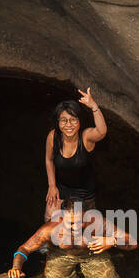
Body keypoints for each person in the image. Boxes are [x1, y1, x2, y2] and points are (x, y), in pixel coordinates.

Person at [7, 201, 137, 278]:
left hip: (91, 253)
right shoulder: (51, 229)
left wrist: (112, 241)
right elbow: (24, 248)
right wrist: (16, 267)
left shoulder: (97, 223)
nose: (77, 227)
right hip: (61, 254)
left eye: (81, 222)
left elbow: (133, 243)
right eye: (72, 223)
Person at [45, 89, 106, 220]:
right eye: (64, 120)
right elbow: (49, 160)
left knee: (79, 231)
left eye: (73, 120)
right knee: (49, 221)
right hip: (61, 189)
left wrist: (94, 106)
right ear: (58, 122)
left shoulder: (85, 137)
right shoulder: (53, 136)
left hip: (84, 194)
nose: (68, 125)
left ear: (80, 121)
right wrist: (52, 185)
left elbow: (101, 132)